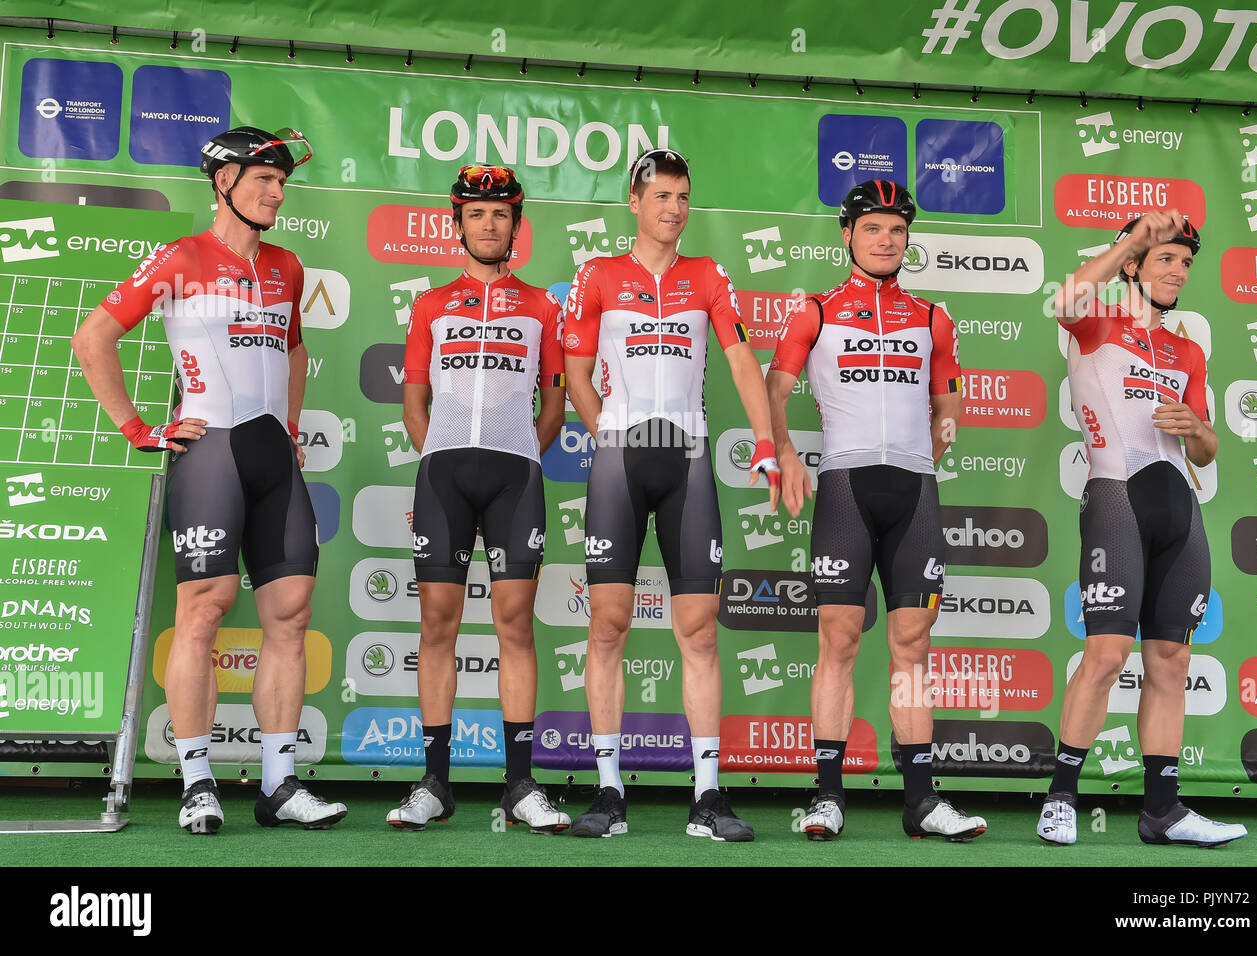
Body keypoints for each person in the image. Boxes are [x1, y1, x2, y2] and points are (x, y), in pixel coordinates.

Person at [71, 126, 346, 832]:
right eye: (266, 181)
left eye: (282, 183)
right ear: (225, 183)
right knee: (203, 611)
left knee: (290, 614)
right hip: (209, 449)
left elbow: (292, 346)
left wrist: (289, 427)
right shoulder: (181, 258)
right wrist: (140, 428)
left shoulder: (287, 265)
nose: (279, 194)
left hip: (271, 458)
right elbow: (92, 338)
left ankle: (280, 786)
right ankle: (197, 781)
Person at [561, 148, 779, 840]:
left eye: (683, 197)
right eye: (660, 197)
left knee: (699, 631)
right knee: (608, 626)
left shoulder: (709, 276)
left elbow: (743, 361)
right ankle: (608, 792)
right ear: (634, 201)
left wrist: (767, 444)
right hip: (622, 462)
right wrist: (607, 435)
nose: (674, 209)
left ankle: (708, 798)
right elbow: (572, 369)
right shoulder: (597, 275)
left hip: (688, 459)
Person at [767, 180, 986, 842]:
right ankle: (827, 796)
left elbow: (949, 403)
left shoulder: (932, 317)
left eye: (895, 229)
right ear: (847, 236)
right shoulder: (815, 310)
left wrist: (933, 455)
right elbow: (775, 389)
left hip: (915, 489)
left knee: (912, 645)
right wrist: (785, 453)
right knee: (837, 639)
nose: (885, 240)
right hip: (845, 488)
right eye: (872, 229)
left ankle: (921, 800)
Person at [1038, 211, 1247, 847]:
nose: (1178, 270)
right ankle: (1062, 798)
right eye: (1165, 259)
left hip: (1179, 508)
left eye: (1185, 262)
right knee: (1105, 655)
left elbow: (1208, 451)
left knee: (1172, 658)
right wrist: (1129, 240)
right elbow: (1064, 300)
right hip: (1114, 498)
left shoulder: (1187, 349)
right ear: (1132, 265)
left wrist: (1199, 428)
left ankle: (1163, 811)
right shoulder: (1098, 323)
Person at [388, 165, 570, 833]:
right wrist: (435, 450)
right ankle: (434, 782)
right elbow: (414, 398)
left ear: (515, 225)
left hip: (515, 477)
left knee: (515, 625)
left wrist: (523, 452)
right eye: (475, 213)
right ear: (457, 223)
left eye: (499, 214)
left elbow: (554, 403)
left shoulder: (543, 306)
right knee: (437, 624)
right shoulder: (432, 305)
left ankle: (519, 785)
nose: (488, 224)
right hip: (443, 477)